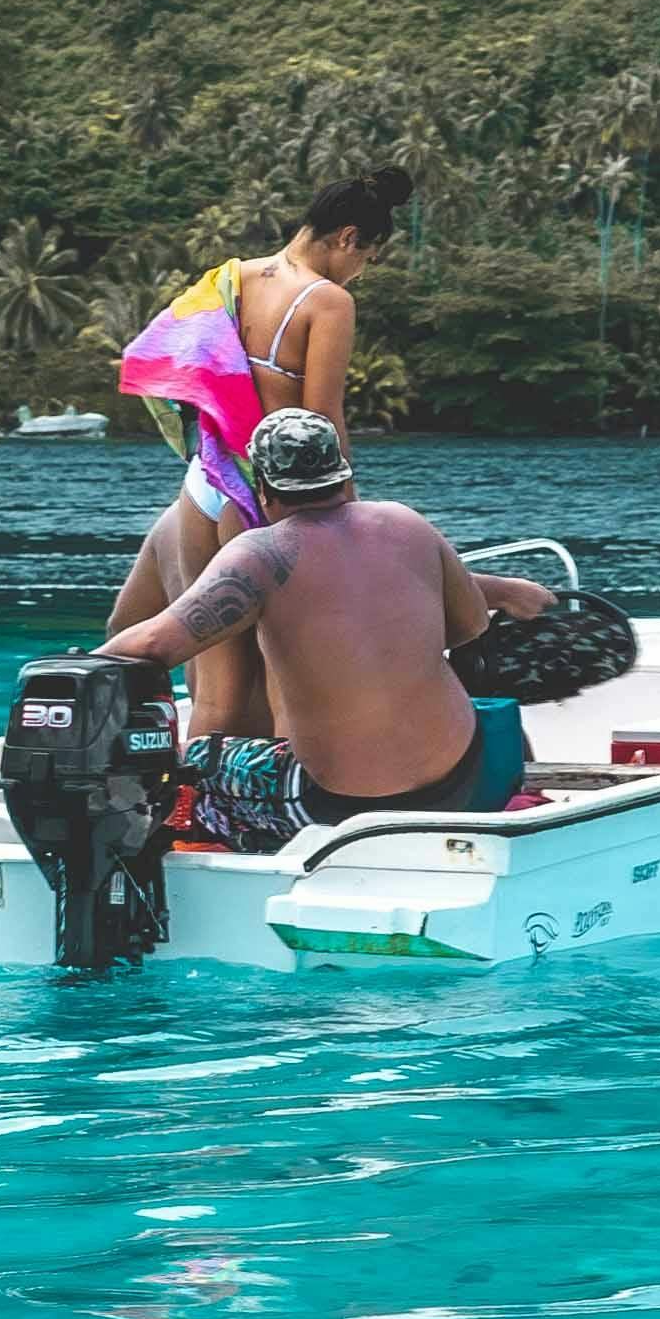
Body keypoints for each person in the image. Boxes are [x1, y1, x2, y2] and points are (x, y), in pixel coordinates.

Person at [106, 406, 549, 853]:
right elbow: (468, 626)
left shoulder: (261, 555)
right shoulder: (408, 524)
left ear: (261, 488)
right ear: (343, 475)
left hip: (339, 806)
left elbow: (153, 644)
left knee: (191, 764)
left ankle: (227, 852)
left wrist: (79, 667)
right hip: (463, 780)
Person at [105, 171, 415, 740]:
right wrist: (345, 510)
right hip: (267, 498)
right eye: (367, 257)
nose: (361, 272)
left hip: (205, 482)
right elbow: (319, 424)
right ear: (347, 237)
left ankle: (191, 819)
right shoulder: (327, 302)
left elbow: (164, 352)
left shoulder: (231, 278)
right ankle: (274, 818)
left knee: (214, 689)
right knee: (283, 684)